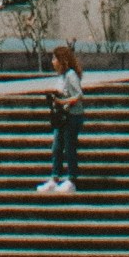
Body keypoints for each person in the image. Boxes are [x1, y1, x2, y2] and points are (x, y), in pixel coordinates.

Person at [41, 45, 87, 196]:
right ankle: (55, 178)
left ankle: (72, 179)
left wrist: (62, 102)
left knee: (69, 146)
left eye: (54, 58)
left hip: (72, 116)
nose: (52, 61)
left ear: (62, 60)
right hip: (62, 117)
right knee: (56, 147)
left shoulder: (71, 75)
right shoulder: (61, 76)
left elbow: (79, 95)